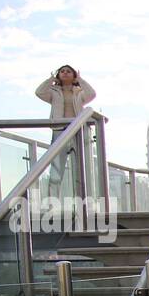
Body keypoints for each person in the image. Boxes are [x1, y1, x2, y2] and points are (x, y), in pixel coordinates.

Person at [34, 64, 96, 198]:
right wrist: (50, 79)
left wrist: (81, 80)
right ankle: (52, 202)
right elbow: (39, 92)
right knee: (56, 168)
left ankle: (82, 202)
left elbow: (92, 94)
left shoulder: (79, 92)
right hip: (59, 131)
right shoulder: (53, 92)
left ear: (74, 75)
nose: (65, 73)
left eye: (68, 71)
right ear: (58, 75)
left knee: (80, 169)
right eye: (62, 71)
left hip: (78, 132)